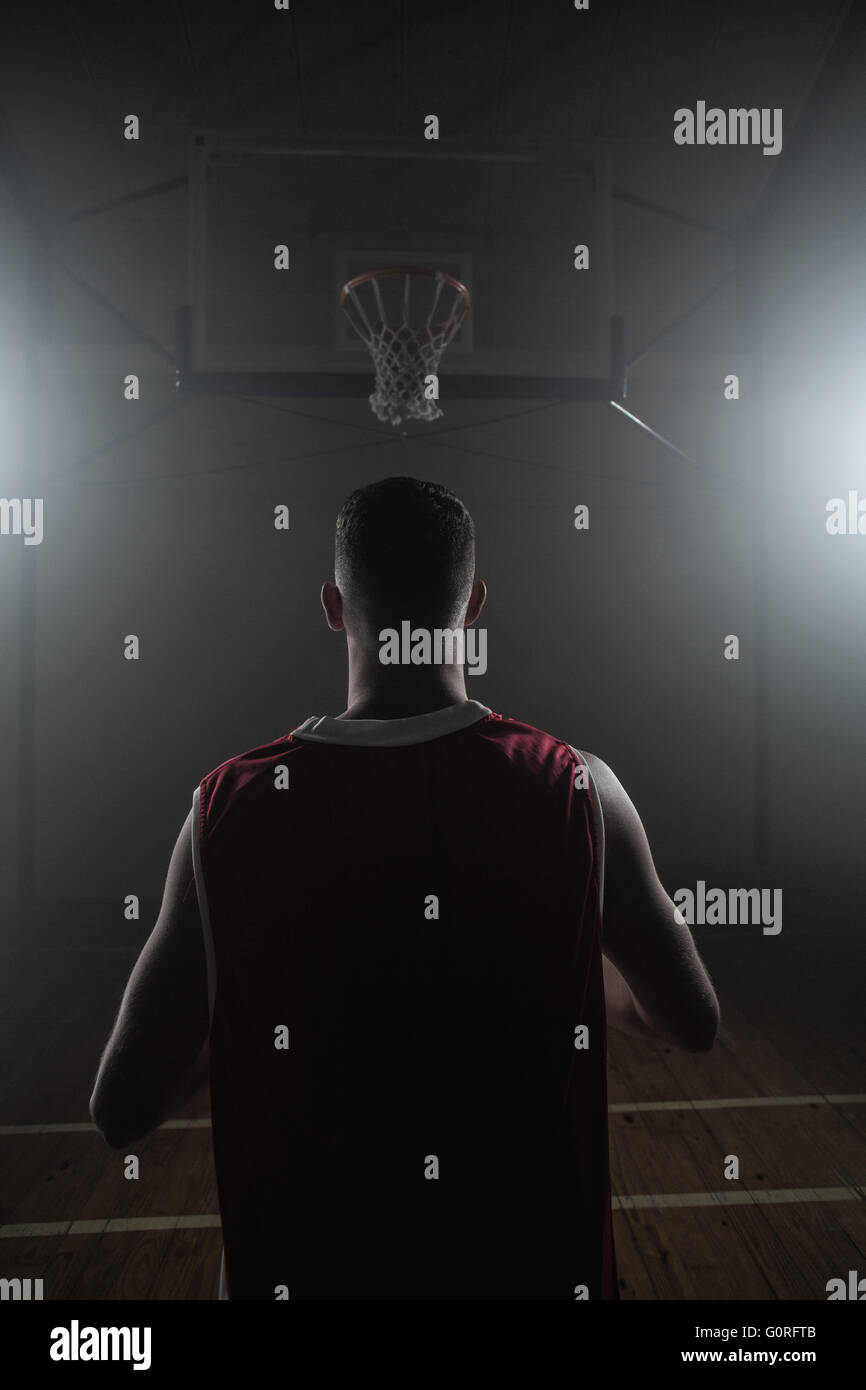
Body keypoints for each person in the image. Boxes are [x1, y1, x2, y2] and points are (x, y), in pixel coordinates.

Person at [90, 476, 720, 1301]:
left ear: (332, 605)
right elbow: (691, 1019)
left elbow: (122, 1106)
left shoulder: (227, 810)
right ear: (475, 604)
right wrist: (550, 960)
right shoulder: (578, 790)